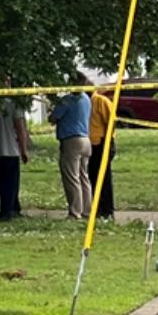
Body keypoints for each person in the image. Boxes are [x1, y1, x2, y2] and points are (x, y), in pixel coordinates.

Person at [50, 85, 92, 219]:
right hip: (85, 139)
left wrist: (53, 110)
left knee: (72, 177)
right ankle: (87, 210)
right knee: (83, 177)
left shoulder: (67, 100)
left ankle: (75, 212)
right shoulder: (86, 98)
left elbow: (53, 118)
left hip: (71, 140)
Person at [88, 88, 116, 220]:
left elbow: (111, 122)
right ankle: (97, 207)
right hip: (90, 144)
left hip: (102, 142)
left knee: (104, 178)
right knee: (92, 177)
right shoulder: (85, 102)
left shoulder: (100, 101)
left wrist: (108, 142)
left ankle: (107, 210)